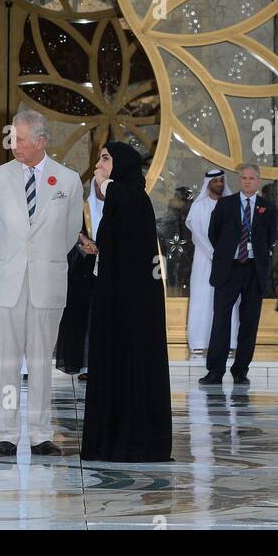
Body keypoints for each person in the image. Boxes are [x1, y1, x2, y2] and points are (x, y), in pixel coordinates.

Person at [0, 107, 82, 459]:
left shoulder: (68, 180)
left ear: (41, 141)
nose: (14, 145)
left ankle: (41, 434)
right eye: (12, 138)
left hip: (47, 281)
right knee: (5, 363)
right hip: (7, 283)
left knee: (41, 361)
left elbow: (70, 232)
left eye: (21, 140)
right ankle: (6, 434)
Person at [81, 142, 172, 462]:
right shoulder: (121, 203)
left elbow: (117, 194)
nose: (97, 165)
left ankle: (132, 441)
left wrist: (104, 182)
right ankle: (110, 441)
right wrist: (96, 251)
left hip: (133, 311)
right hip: (115, 303)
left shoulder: (133, 197)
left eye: (105, 159)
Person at [200, 164, 277, 386]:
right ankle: (215, 370)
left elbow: (271, 236)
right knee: (220, 320)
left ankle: (241, 369)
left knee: (249, 322)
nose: (247, 181)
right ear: (239, 180)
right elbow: (213, 232)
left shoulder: (267, 207)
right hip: (229, 269)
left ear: (258, 181)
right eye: (243, 178)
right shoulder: (225, 204)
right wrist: (227, 253)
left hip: (254, 270)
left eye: (252, 178)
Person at [55, 167, 106, 377]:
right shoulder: (83, 209)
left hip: (110, 273)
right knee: (85, 320)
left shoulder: (118, 208)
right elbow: (69, 230)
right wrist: (84, 245)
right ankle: (86, 365)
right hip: (85, 273)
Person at [185, 168, 239, 355]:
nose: (220, 184)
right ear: (208, 183)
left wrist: (225, 255)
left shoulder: (231, 205)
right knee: (203, 298)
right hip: (204, 262)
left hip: (227, 261)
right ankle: (199, 341)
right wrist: (215, 254)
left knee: (227, 300)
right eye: (216, 181)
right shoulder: (199, 206)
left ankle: (229, 342)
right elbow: (198, 235)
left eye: (222, 181)